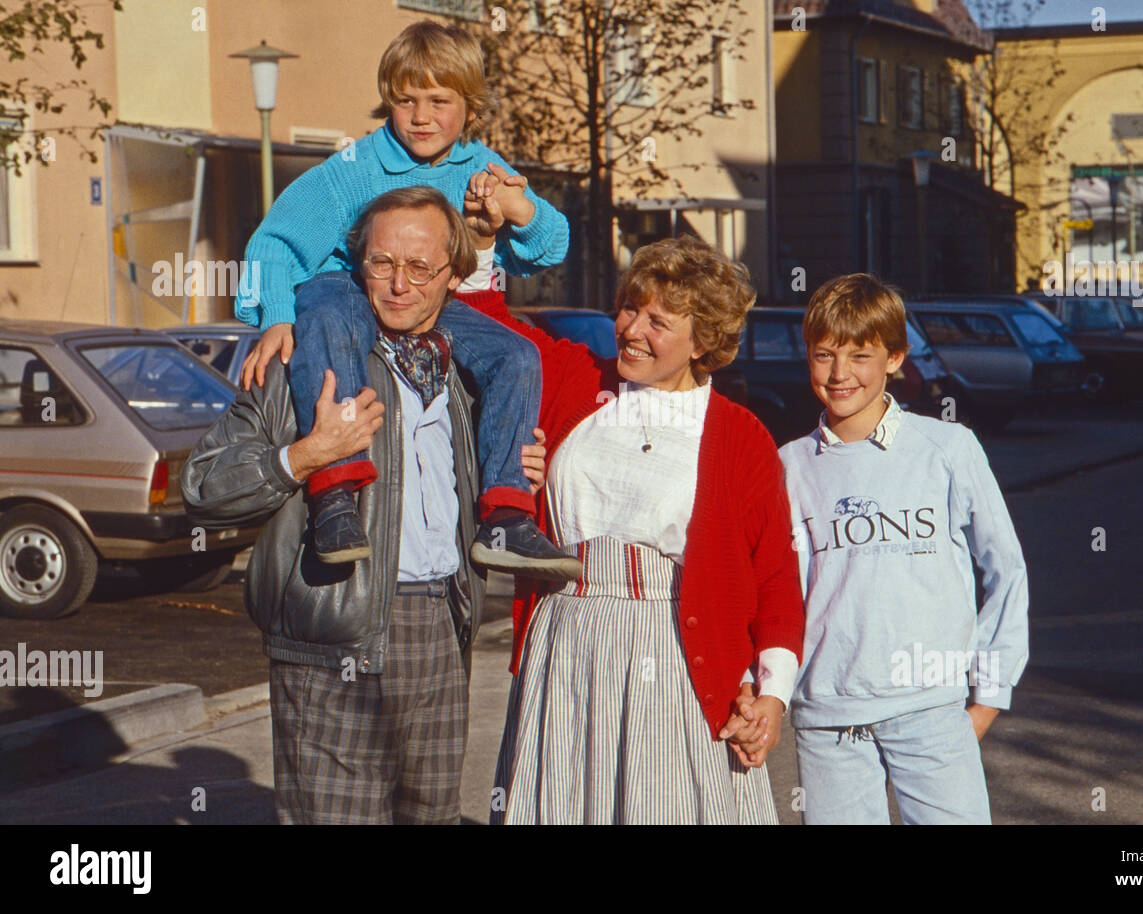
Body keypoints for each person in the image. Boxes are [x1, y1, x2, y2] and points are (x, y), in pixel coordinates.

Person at [183, 186, 546, 824]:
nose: (399, 285)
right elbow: (204, 487)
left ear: (455, 275)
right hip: (331, 632)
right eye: (381, 264)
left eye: (420, 268)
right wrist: (307, 455)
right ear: (358, 265)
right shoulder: (302, 362)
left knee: (429, 817)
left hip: (441, 626)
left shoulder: (467, 375)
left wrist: (520, 468)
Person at [233, 20, 577, 581]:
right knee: (326, 314)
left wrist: (519, 211)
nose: (421, 117)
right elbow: (274, 240)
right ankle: (336, 496)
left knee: (518, 356)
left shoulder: (481, 164)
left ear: (470, 106)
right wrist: (275, 315)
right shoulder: (356, 169)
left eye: (440, 101)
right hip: (352, 286)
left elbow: (550, 246)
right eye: (406, 100)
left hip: (429, 301)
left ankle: (506, 515)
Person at [483, 235, 806, 825]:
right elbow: (488, 324)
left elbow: (777, 575)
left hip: (675, 649)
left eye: (659, 320)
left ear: (702, 340)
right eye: (630, 307)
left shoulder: (738, 434)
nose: (631, 328)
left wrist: (772, 693)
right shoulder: (577, 381)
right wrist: (485, 236)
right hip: (565, 635)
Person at [774, 273, 1030, 825]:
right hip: (828, 715)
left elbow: (1005, 569)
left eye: (860, 356)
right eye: (824, 355)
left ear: (895, 357)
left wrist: (989, 694)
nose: (840, 375)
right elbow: (778, 593)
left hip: (930, 709)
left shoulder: (947, 446)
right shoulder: (789, 465)